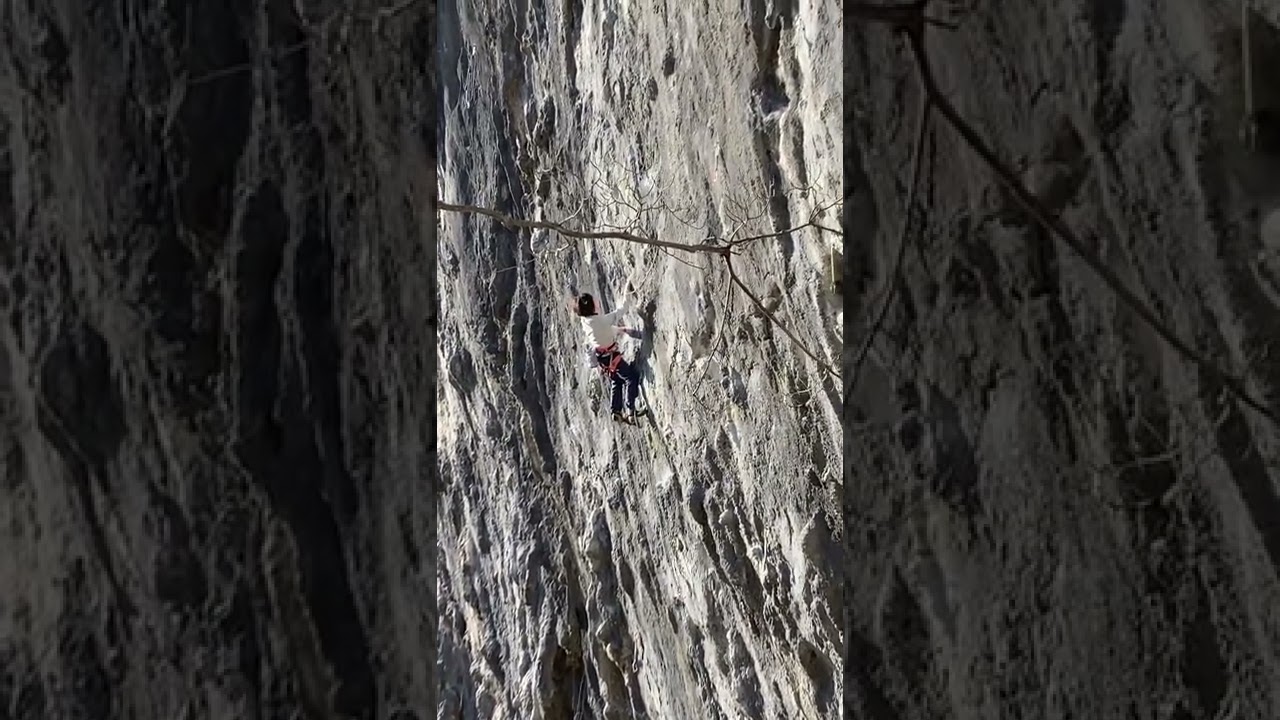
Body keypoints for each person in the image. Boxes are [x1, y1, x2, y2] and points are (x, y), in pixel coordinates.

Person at [573, 292, 642, 421]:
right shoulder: (601, 321)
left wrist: (623, 330)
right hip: (610, 356)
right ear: (593, 307)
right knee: (631, 377)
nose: (597, 300)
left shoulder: (585, 321)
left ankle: (615, 410)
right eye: (595, 300)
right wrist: (627, 297)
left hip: (603, 357)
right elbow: (619, 312)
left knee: (617, 379)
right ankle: (630, 410)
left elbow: (605, 330)